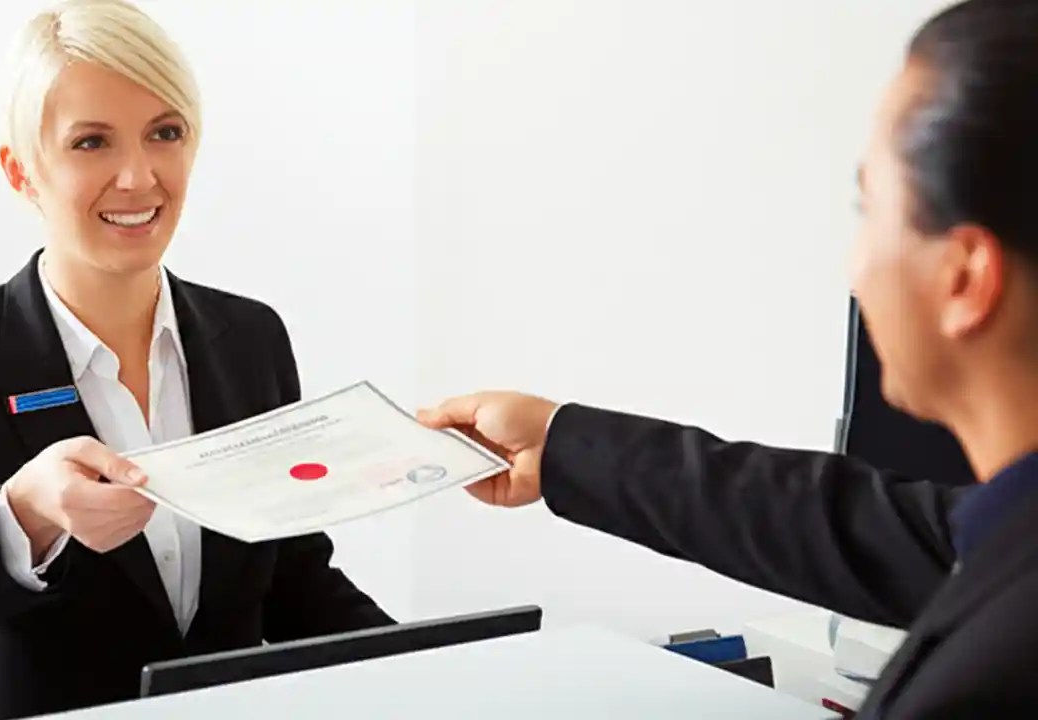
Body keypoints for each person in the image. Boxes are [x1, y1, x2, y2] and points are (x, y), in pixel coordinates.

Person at [419, 1, 1038, 717]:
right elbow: (860, 526)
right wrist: (562, 443)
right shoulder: (1005, 538)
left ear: (964, 278)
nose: (856, 267)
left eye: (870, 210)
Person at [0, 1, 392, 717]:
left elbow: (293, 585)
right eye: (91, 143)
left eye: (164, 133)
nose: (139, 178)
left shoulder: (251, 338)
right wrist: (24, 515)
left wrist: (457, 672)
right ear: (22, 173)